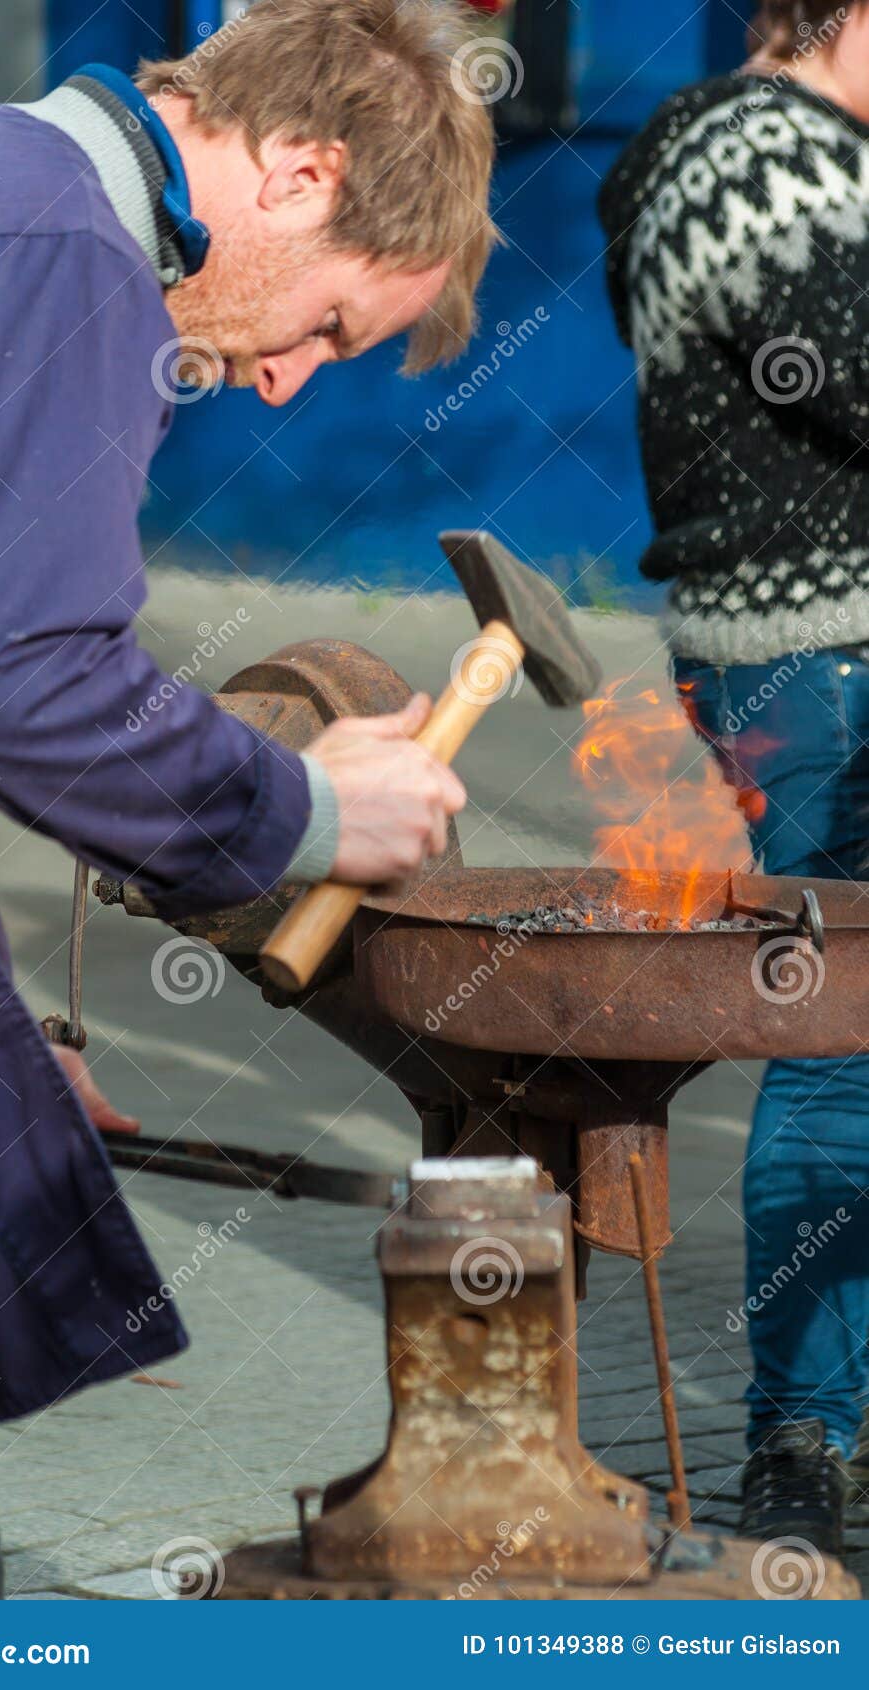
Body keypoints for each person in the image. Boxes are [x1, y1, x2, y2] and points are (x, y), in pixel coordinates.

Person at [0, 0, 497, 1597]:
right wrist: (304, 816)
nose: (288, 383)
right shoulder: (65, 250)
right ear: (305, 173)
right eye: (331, 324)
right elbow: (15, 682)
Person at [600, 0, 869, 1557]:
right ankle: (797, 1445)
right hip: (823, 666)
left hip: (816, 662)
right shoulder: (752, 150)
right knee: (840, 1040)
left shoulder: (802, 149)